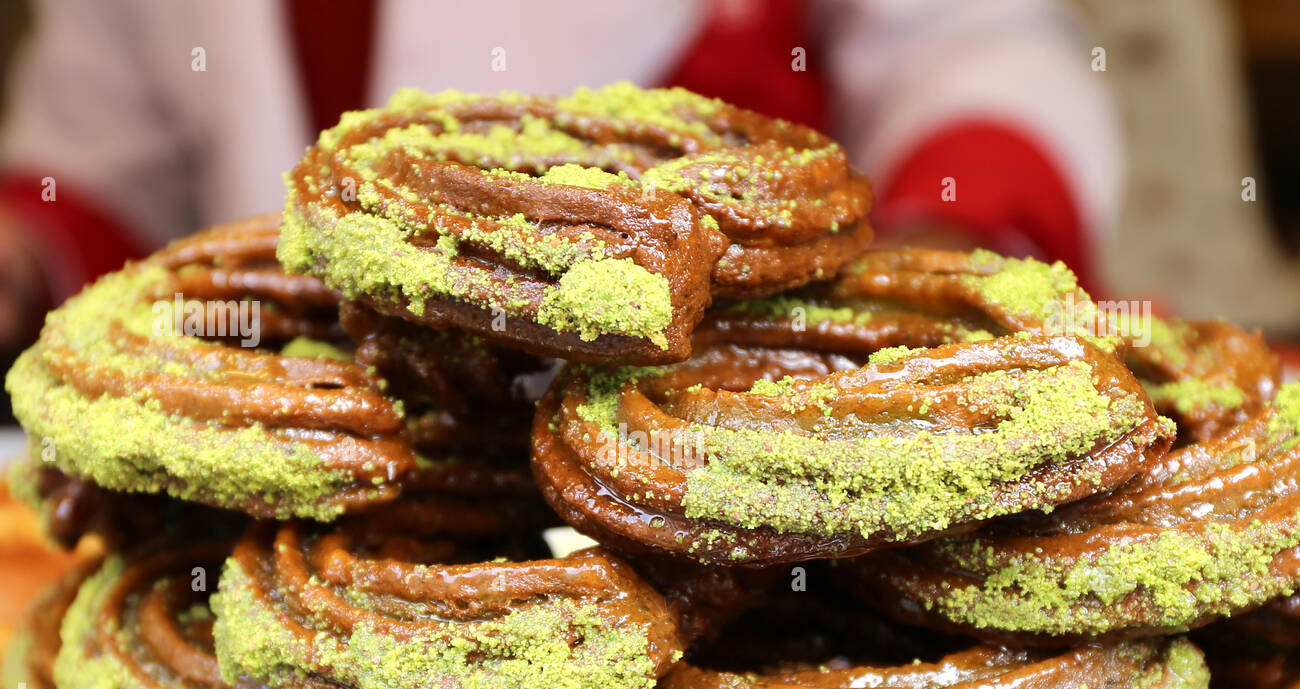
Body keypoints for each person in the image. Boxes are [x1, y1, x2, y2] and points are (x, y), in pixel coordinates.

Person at [0, 0, 1121, 352]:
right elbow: (92, 173)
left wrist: (951, 232)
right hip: (295, 409)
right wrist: (26, 252)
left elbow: (966, 51)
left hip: (719, 392)